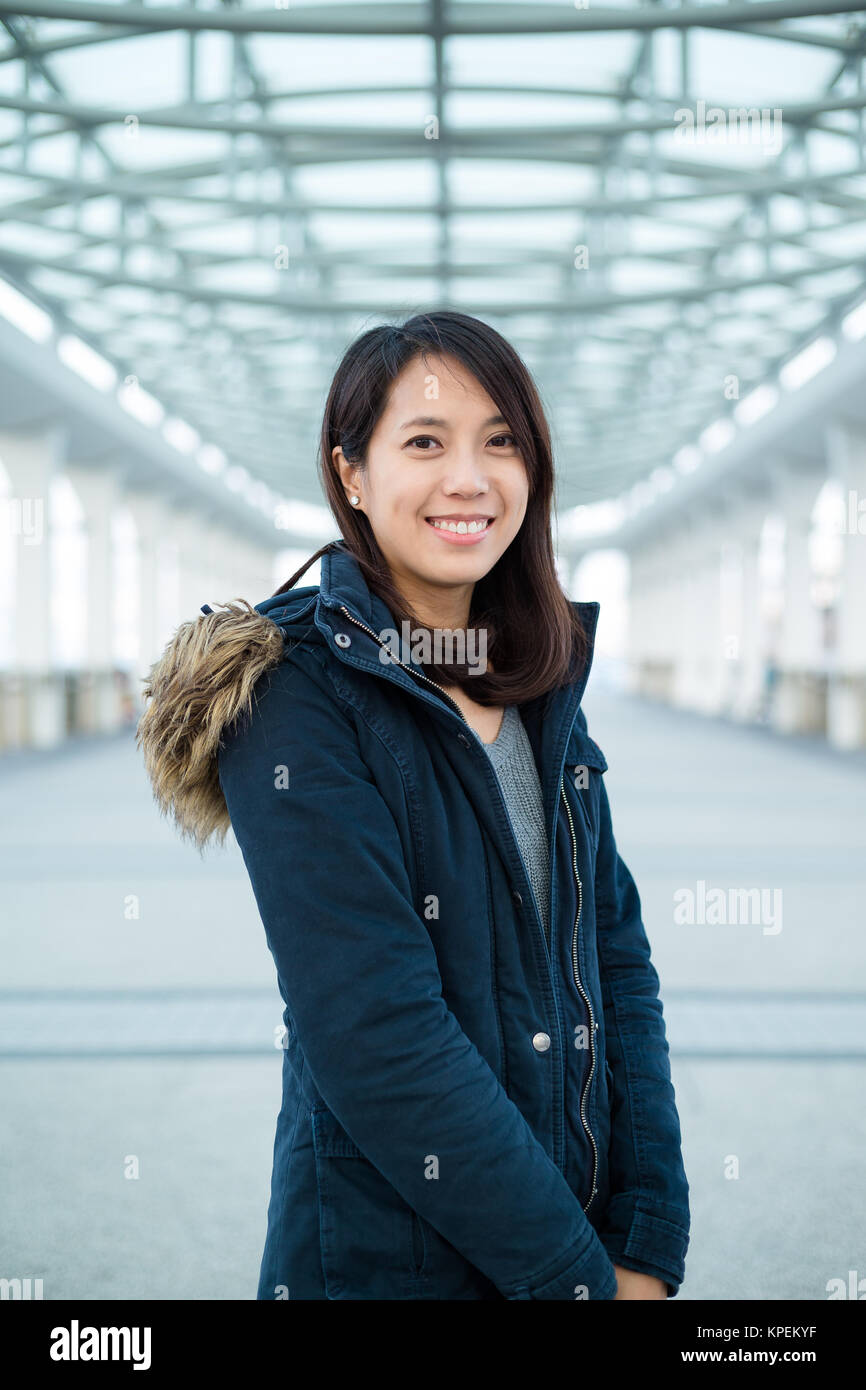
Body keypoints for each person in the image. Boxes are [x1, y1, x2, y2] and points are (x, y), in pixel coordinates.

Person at [137, 309, 690, 1301]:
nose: (468, 479)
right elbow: (375, 1035)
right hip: (390, 1262)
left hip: (576, 1232)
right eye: (424, 442)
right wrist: (579, 1281)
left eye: (500, 441)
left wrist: (645, 1237)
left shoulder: (532, 674)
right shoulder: (297, 691)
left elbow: (616, 962)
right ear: (349, 471)